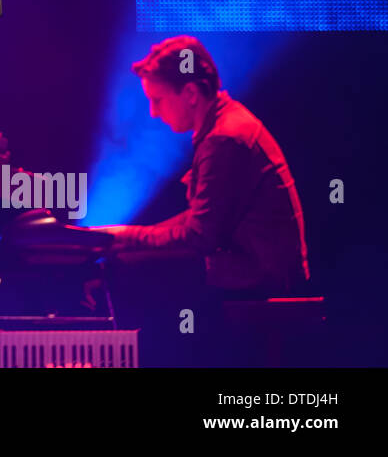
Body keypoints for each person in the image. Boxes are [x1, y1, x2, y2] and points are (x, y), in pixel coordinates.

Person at [90, 36, 310, 364]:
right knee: (132, 264)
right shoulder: (224, 125)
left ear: (190, 93)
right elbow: (200, 221)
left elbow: (199, 235)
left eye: (158, 100)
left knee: (139, 287)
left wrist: (125, 238)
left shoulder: (225, 138)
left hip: (262, 291)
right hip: (257, 280)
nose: (153, 113)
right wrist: (126, 239)